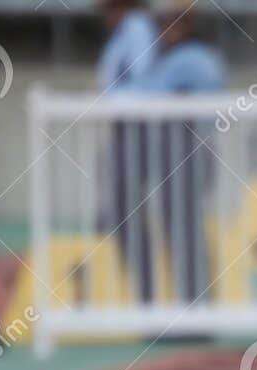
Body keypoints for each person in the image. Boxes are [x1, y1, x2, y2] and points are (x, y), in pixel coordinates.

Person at [144, 6, 225, 304]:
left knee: (186, 231)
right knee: (183, 230)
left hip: (188, 155)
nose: (165, 30)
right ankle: (192, 300)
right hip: (180, 156)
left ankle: (196, 303)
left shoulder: (192, 60)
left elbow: (151, 98)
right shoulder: (180, 59)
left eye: (172, 23)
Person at [98, 0, 158, 303]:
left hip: (135, 131)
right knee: (123, 215)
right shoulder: (124, 33)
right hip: (123, 130)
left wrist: (113, 105)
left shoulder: (137, 28)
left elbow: (143, 81)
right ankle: (142, 292)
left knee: (128, 214)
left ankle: (147, 295)